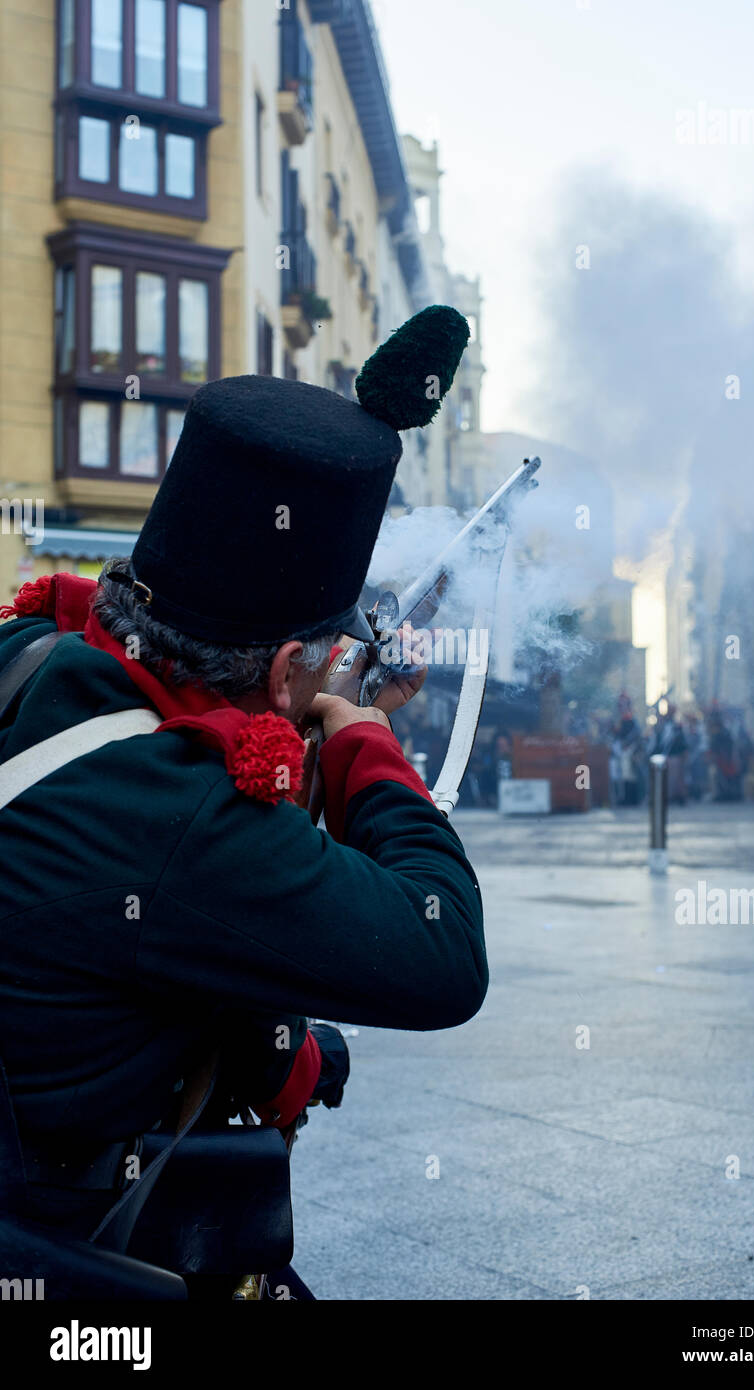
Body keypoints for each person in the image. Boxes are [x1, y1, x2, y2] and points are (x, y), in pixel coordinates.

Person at [0, 306, 486, 1290]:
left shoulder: (28, 656)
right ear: (281, 679)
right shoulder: (185, 822)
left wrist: (318, 714)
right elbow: (444, 954)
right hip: (70, 1250)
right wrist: (361, 742)